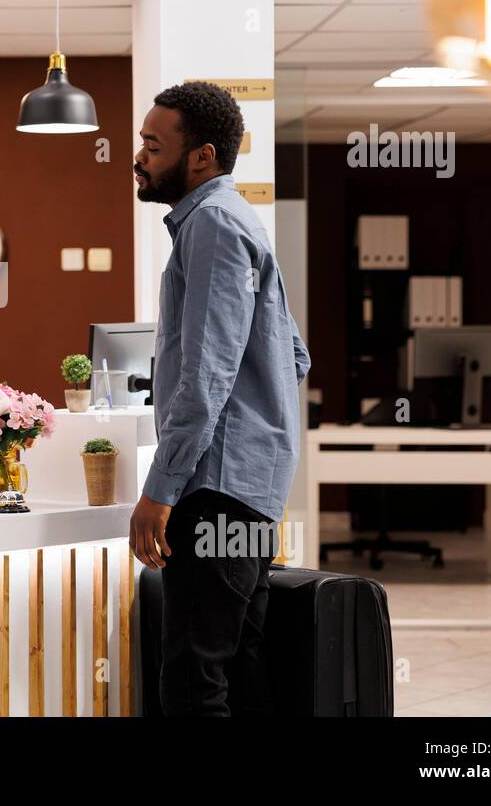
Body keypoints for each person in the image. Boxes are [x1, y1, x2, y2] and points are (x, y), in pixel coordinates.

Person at [126, 82, 310, 717]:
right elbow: (294, 358)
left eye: (153, 145)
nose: (139, 157)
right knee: (238, 665)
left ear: (200, 157)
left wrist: (160, 490)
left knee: (193, 678)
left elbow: (204, 380)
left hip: (214, 490)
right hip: (249, 487)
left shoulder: (212, 226)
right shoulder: (235, 220)